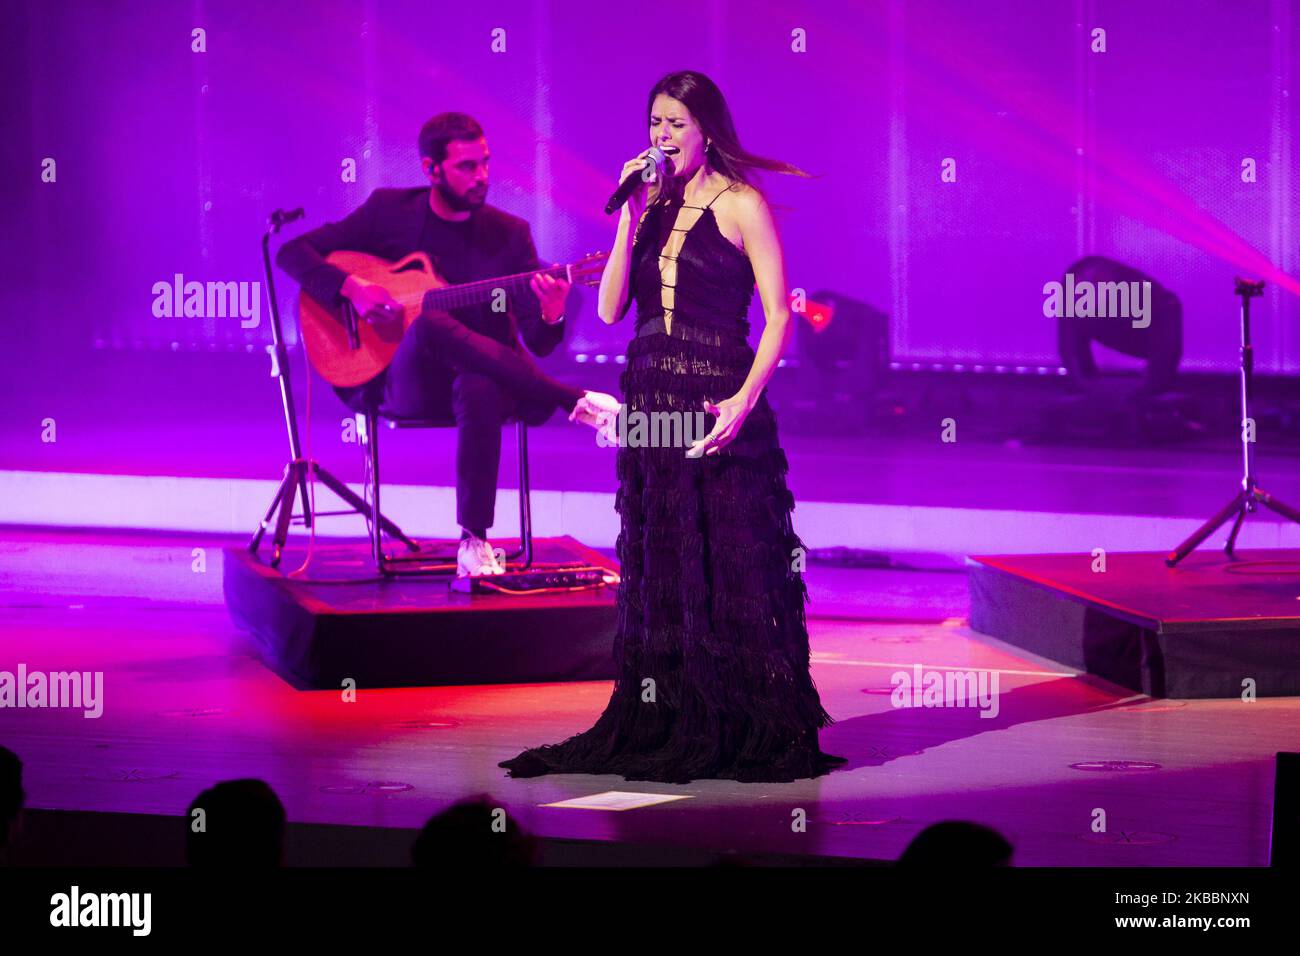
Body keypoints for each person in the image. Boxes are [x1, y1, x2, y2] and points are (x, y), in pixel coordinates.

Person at [499, 71, 846, 783]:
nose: (662, 136)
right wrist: (629, 214)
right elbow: (607, 310)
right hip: (653, 397)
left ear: (707, 129)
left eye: (675, 123)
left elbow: (779, 314)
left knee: (729, 556)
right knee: (665, 561)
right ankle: (673, 714)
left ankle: (745, 720)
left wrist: (745, 401)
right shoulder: (650, 204)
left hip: (719, 396)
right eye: (655, 122)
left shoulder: (743, 203)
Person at [277, 112, 620, 576]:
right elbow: (292, 252)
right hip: (404, 380)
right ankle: (573, 401)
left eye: (485, 163)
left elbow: (538, 345)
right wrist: (354, 290)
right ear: (430, 169)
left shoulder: (509, 235)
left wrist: (552, 310)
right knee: (430, 323)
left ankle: (474, 542)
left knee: (478, 385)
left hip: (489, 385)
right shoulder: (388, 212)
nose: (481, 176)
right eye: (466, 167)